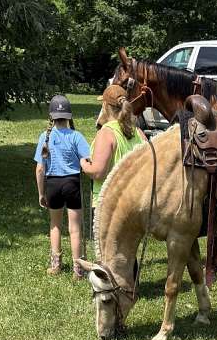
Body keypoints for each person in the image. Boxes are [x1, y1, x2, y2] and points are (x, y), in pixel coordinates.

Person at [34, 95, 91, 277]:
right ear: (69, 116)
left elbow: (40, 169)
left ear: (51, 116)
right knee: (75, 228)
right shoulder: (76, 136)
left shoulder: (45, 137)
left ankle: (56, 265)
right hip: (72, 183)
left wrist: (41, 193)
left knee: (55, 225)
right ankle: (78, 269)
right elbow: (88, 159)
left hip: (53, 185)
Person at [81, 86, 146, 220]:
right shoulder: (138, 132)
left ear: (105, 106)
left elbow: (98, 173)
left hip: (109, 204)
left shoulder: (106, 133)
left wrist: (84, 164)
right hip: (135, 203)